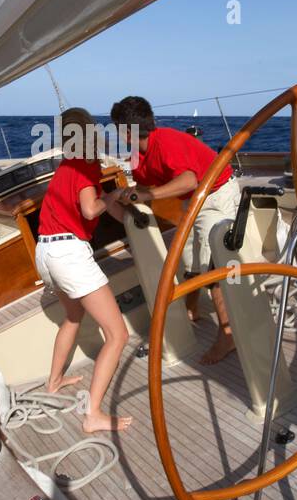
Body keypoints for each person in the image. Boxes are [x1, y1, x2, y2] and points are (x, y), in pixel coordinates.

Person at [109, 95, 241, 365]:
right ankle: (192, 309)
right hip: (193, 200)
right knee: (190, 258)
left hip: (216, 194)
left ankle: (227, 334)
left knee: (212, 266)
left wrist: (147, 196)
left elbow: (189, 179)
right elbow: (146, 187)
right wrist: (130, 194)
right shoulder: (138, 155)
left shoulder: (166, 142)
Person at [35, 108, 134, 432]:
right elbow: (92, 207)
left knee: (74, 316)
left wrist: (121, 207)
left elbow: (99, 203)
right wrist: (119, 193)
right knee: (117, 334)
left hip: (45, 251)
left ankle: (53, 381)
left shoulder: (65, 168)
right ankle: (93, 415)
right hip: (68, 253)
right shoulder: (87, 165)